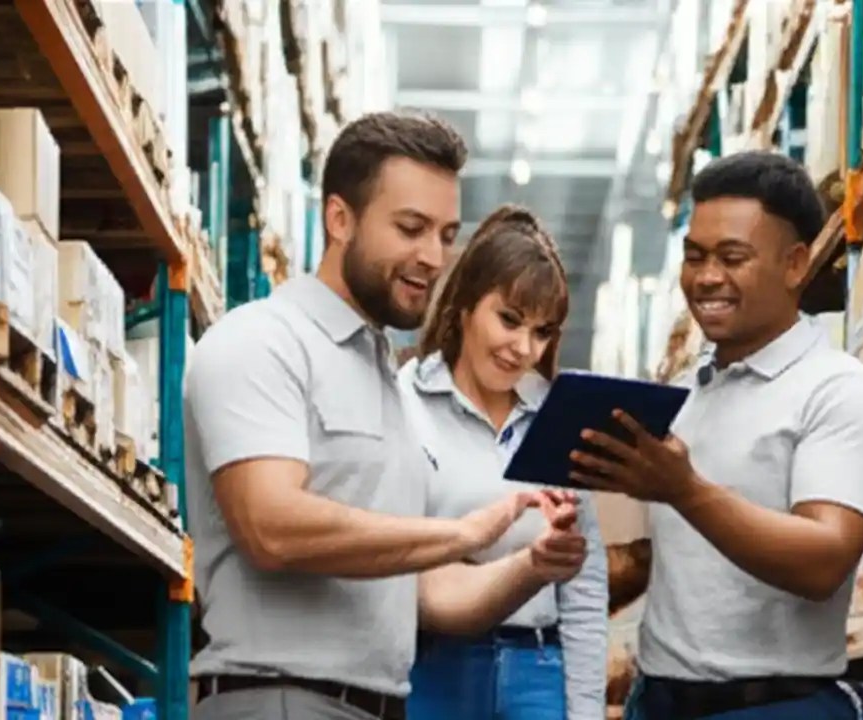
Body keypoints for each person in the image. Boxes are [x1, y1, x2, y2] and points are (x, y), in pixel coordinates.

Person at [183, 111, 589, 720]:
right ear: (340, 218)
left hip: (381, 704)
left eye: (447, 235)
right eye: (410, 228)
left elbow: (427, 595)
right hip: (280, 699)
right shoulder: (261, 342)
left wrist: (532, 565)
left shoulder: (388, 387)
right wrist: (460, 532)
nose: (432, 256)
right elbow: (270, 527)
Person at [569, 151, 863, 719]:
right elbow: (671, 557)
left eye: (733, 257)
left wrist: (685, 490)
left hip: (773, 706)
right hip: (657, 702)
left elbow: (823, 561)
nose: (706, 278)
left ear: (796, 264)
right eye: (695, 256)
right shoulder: (685, 394)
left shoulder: (841, 393)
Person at [397, 205, 609, 720]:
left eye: (542, 332)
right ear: (467, 302)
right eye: (509, 320)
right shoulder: (403, 403)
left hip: (538, 672)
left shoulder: (558, 418)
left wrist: (583, 712)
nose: (523, 348)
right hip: (431, 670)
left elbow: (583, 587)